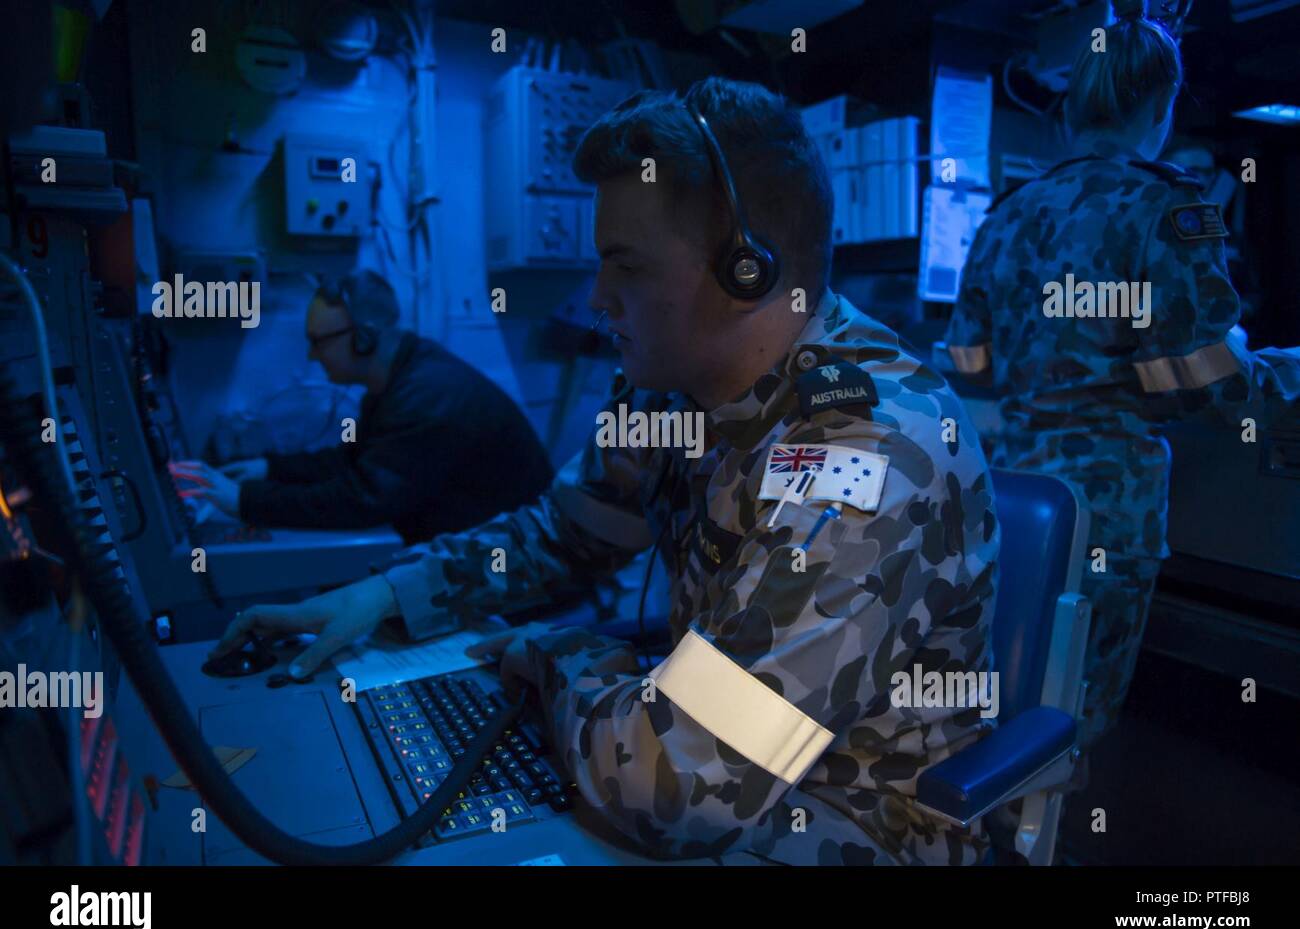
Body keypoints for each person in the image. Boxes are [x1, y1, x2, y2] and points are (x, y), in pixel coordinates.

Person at [213, 78, 999, 865]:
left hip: (850, 822)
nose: (597, 298)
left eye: (625, 266)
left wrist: (558, 658)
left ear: (745, 271)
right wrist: (384, 593)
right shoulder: (678, 396)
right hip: (719, 785)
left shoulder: (865, 458)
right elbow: (563, 530)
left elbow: (674, 782)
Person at [945, 0, 1300, 753]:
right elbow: (1203, 380)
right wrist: (1283, 374)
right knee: (1071, 721)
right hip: (1106, 514)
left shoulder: (1007, 214)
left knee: (996, 709)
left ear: (1077, 105)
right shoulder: (1170, 207)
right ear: (1161, 105)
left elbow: (967, 370)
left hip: (1008, 503)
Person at [174, 269, 554, 545]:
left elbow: (363, 499)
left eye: (318, 341)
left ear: (364, 337)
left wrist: (245, 501)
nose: (311, 355)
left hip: (521, 578)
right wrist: (270, 468)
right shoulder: (401, 377)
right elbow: (355, 462)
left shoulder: (426, 397)